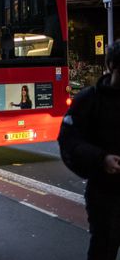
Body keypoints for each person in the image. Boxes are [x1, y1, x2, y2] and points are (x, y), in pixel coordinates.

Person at [58, 39, 120, 260]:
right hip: (105, 194)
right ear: (112, 65)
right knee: (104, 247)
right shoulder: (89, 100)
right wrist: (101, 159)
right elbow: (68, 141)